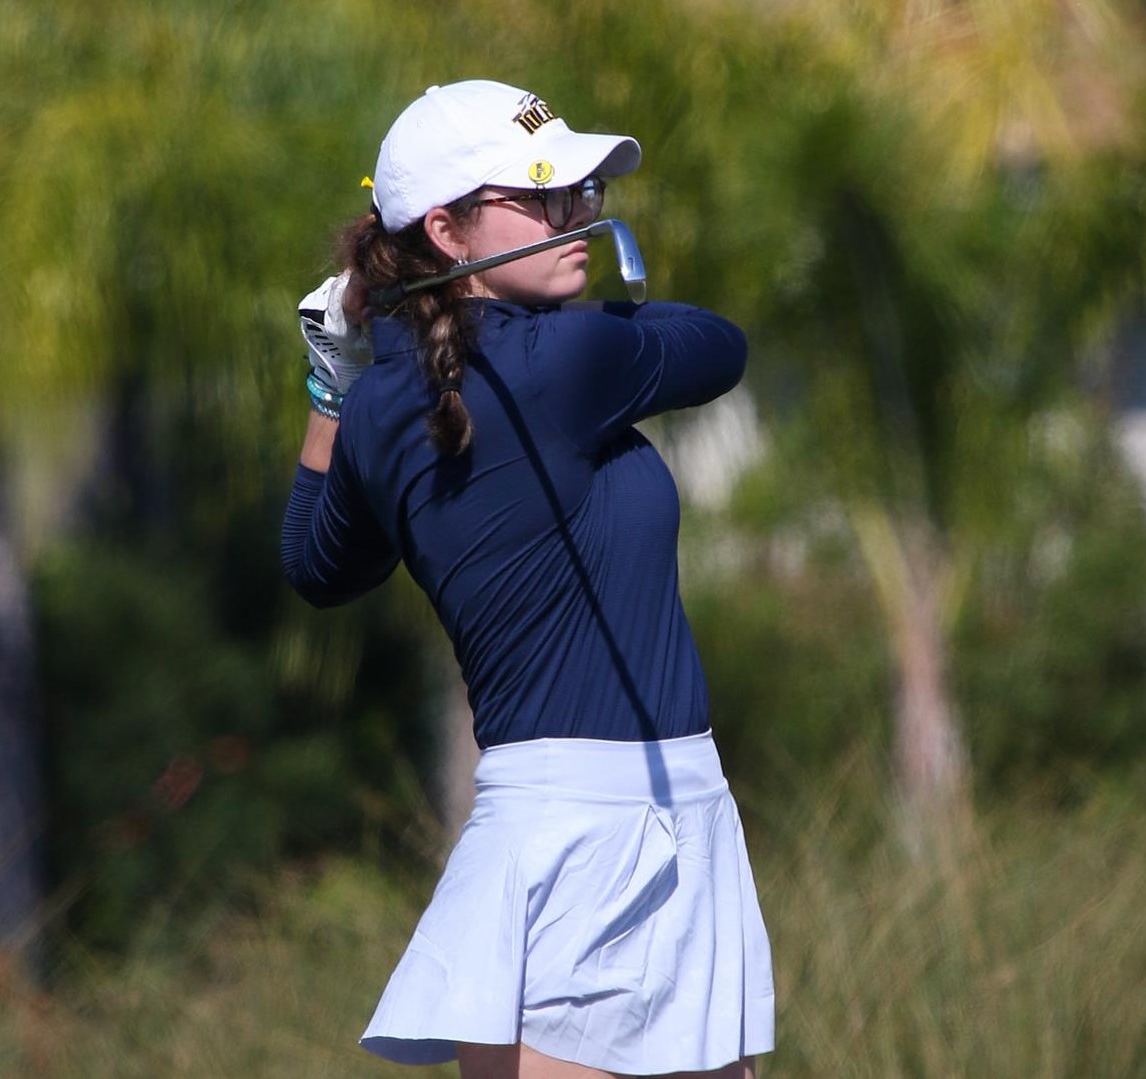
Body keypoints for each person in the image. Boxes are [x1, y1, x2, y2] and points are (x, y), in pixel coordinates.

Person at [281, 80, 773, 1079]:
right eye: (540, 196)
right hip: (580, 843)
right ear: (449, 231)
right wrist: (603, 314)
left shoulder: (381, 403)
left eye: (578, 192)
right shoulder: (569, 360)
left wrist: (330, 385)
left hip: (666, 814)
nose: (576, 215)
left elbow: (316, 562)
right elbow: (719, 346)